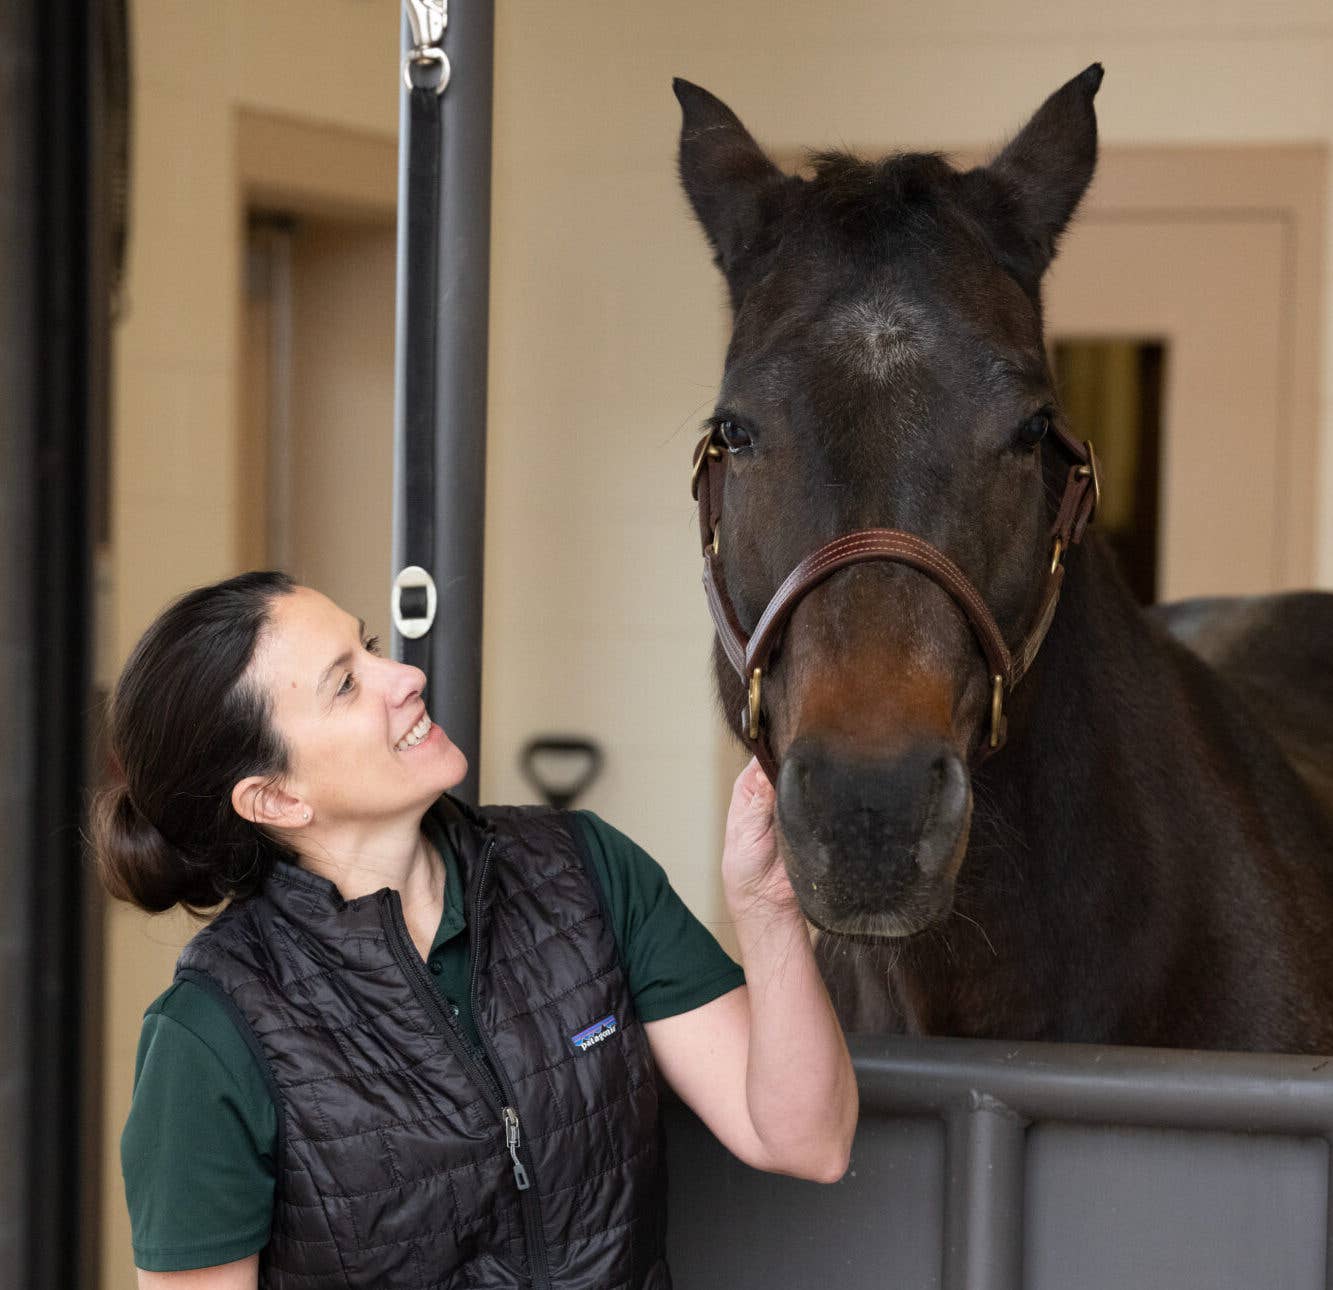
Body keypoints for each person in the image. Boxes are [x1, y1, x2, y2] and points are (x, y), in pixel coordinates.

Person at [93, 571, 858, 1290]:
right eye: (346, 684)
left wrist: (764, 906)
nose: (405, 676)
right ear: (275, 800)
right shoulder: (213, 1033)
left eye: (371, 647)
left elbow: (805, 1140)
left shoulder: (584, 871)